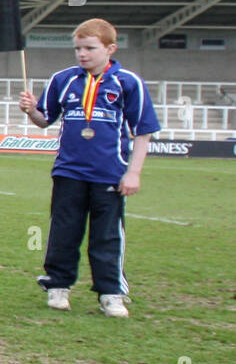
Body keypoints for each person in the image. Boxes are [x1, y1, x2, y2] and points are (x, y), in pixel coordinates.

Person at [18, 17, 160, 318]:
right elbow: (46, 120)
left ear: (110, 48)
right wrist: (32, 111)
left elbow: (143, 131)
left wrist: (133, 172)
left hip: (110, 174)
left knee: (107, 235)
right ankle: (58, 286)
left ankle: (110, 293)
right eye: (78, 48)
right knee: (64, 230)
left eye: (90, 48)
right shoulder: (64, 79)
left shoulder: (128, 82)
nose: (82, 54)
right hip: (69, 171)